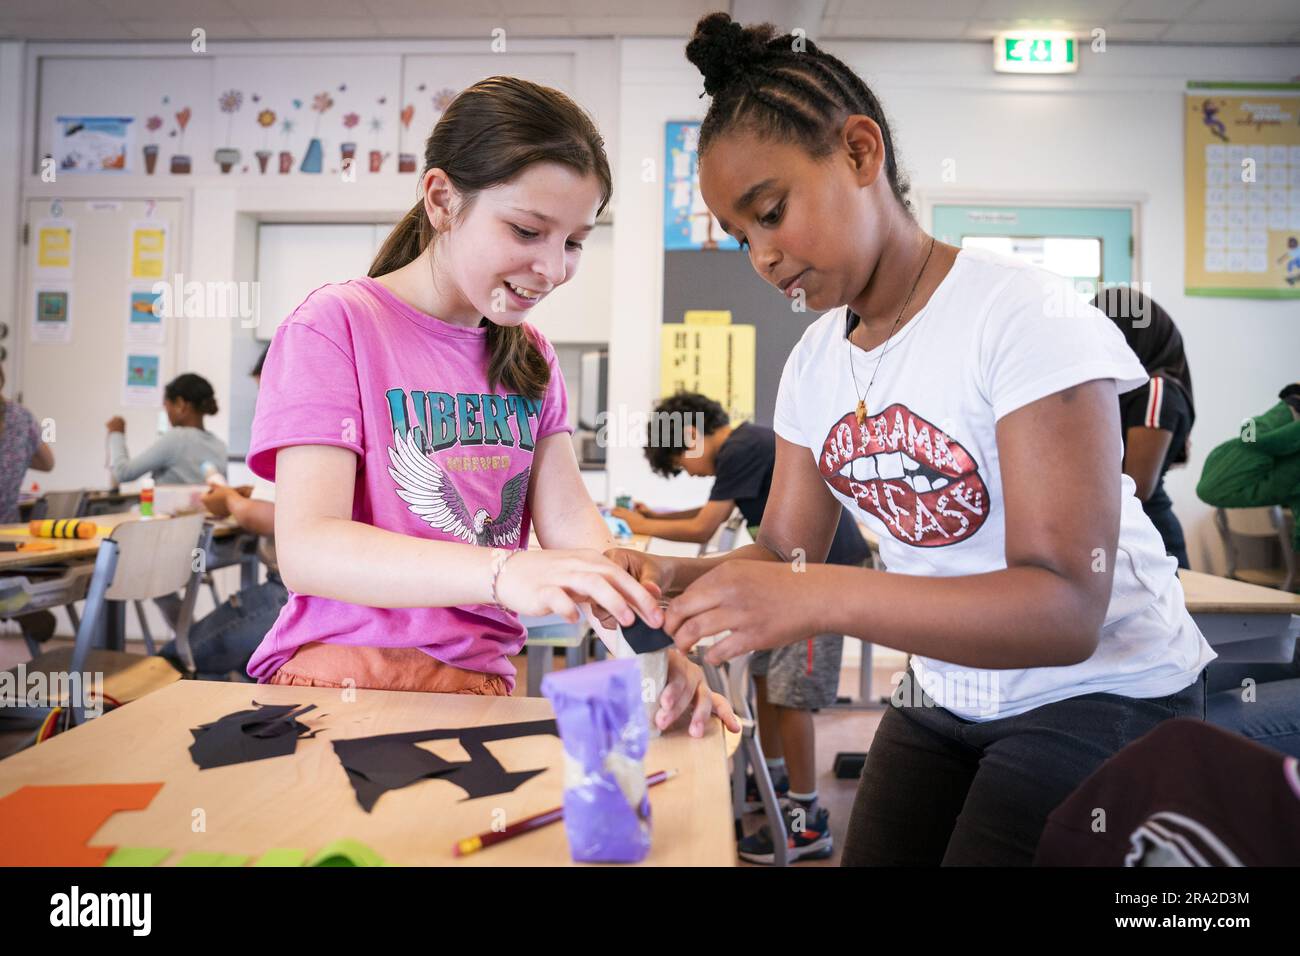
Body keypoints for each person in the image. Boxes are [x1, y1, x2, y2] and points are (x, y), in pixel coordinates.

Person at [609, 14, 1215, 866]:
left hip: (1102, 690)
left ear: (860, 154)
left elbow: (1065, 610)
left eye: (772, 212)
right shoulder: (816, 360)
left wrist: (816, 594)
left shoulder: (1019, 313)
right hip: (946, 690)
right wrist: (675, 579)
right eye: (743, 237)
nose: (763, 256)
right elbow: (784, 549)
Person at [244, 76, 738, 738]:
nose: (553, 268)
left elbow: (572, 528)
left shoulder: (529, 354)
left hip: (485, 681)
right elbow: (308, 547)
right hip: (344, 680)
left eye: (573, 242)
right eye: (528, 230)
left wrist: (654, 648)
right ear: (444, 200)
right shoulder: (335, 325)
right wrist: (504, 572)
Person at [616, 389, 871, 862]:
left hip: (823, 580)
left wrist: (637, 523)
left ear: (691, 437)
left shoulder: (742, 448)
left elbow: (702, 528)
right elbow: (705, 516)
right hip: (788, 577)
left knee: (791, 694)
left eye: (680, 464)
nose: (689, 473)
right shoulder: (744, 448)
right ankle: (773, 778)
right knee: (764, 678)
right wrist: (650, 517)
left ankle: (806, 817)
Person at [158, 347, 286, 680]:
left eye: (267, 390)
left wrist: (230, 499)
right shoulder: (214, 442)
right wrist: (243, 495)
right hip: (300, 592)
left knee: (175, 660)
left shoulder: (290, 432)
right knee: (224, 660)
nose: (264, 403)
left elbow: (266, 516)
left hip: (286, 595)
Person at [1091, 287, 1195, 568]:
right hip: (1125, 535)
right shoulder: (1122, 389)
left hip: (1150, 540)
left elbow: (1138, 485)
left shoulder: (1156, 390)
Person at [0, 367, 57, 644]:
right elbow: (47, 463)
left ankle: (11, 599)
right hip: (9, 543)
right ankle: (15, 600)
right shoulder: (22, 417)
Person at [106, 373, 227, 485]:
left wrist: (117, 433)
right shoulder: (220, 446)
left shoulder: (177, 438)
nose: (167, 412)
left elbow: (123, 473)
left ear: (180, 404)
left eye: (167, 406)